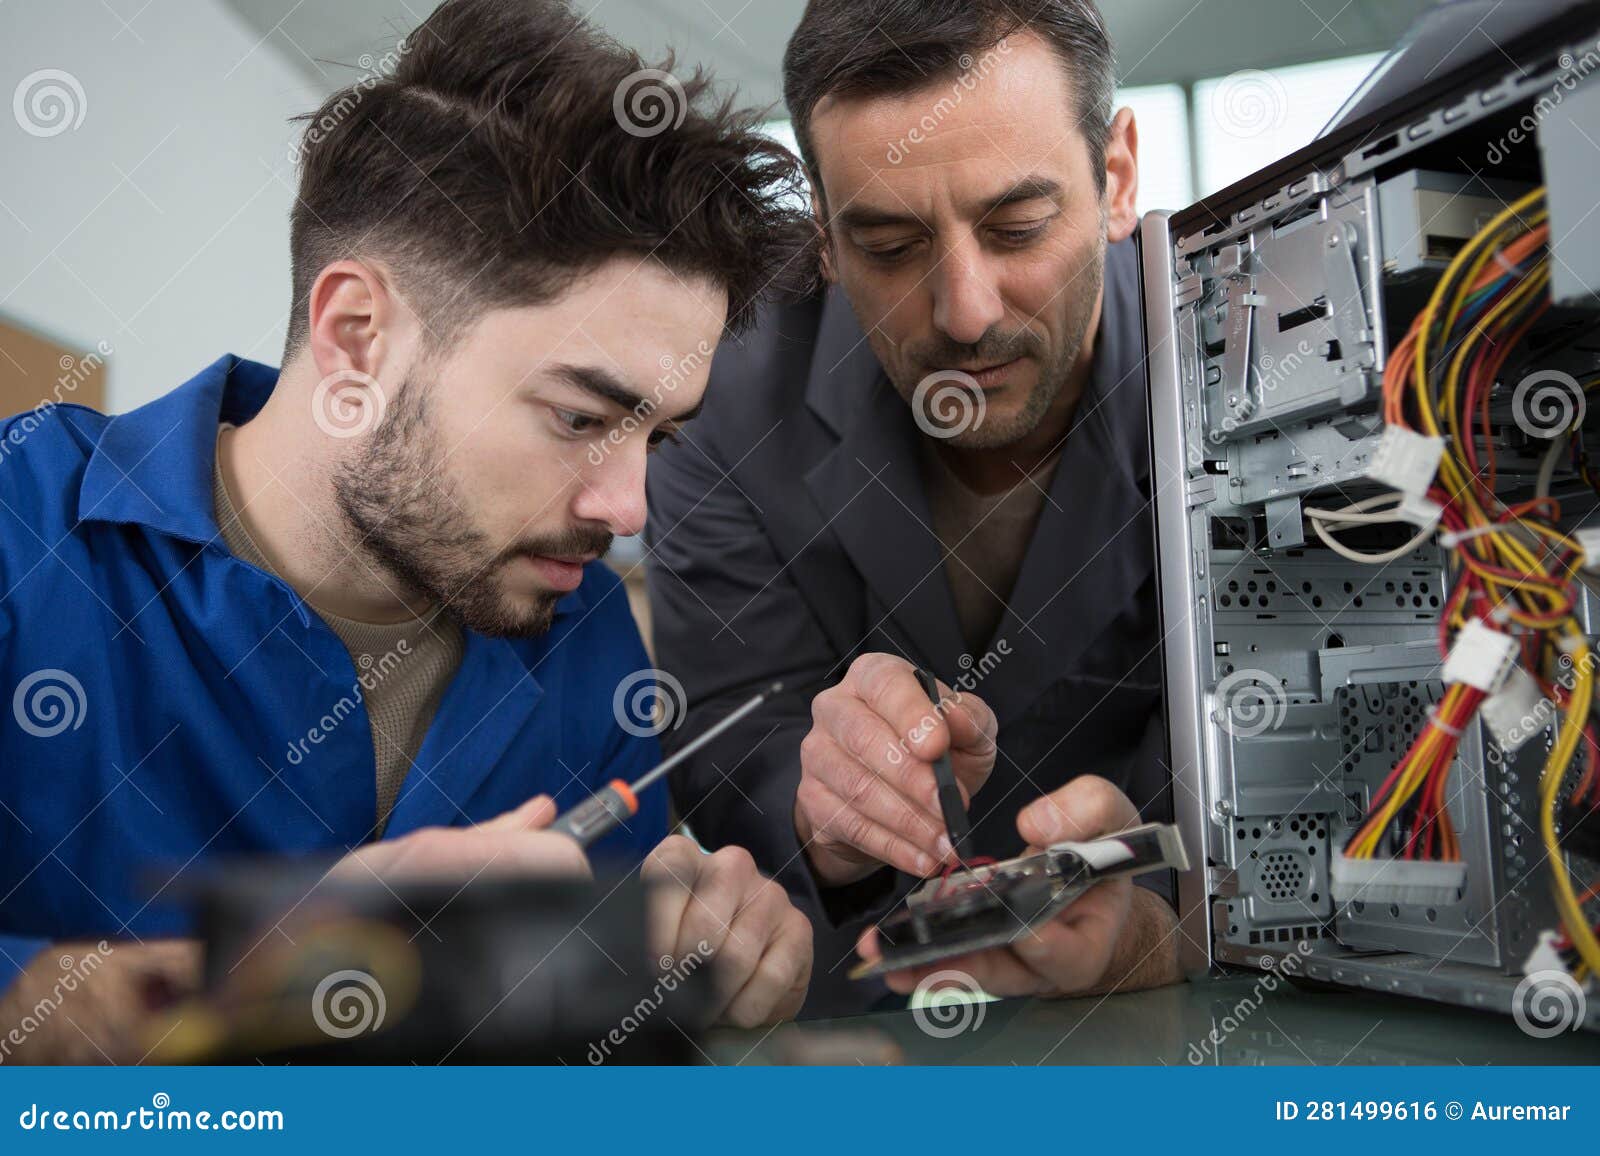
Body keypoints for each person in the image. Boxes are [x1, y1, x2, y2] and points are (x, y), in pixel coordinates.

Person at [0, 0, 816, 1061]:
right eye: (579, 418)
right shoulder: (25, 535)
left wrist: (702, 957)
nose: (629, 511)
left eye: (659, 438)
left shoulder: (590, 638)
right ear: (355, 336)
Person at [646, 0, 1180, 1017]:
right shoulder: (716, 398)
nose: (966, 310)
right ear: (824, 233)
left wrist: (1171, 920)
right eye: (889, 247)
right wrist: (820, 810)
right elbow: (728, 751)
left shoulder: (1245, 358)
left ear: (1115, 178)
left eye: (1017, 228)